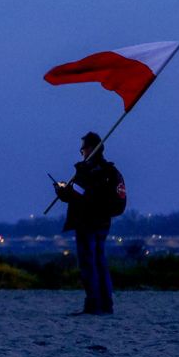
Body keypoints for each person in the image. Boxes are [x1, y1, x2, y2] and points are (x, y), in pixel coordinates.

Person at [53, 132, 122, 316]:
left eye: (82, 148)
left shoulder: (87, 171)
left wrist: (62, 192)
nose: (81, 152)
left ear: (90, 148)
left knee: (88, 264)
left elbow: (79, 195)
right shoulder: (110, 171)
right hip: (103, 223)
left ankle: (93, 305)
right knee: (100, 262)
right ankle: (106, 305)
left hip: (87, 222)